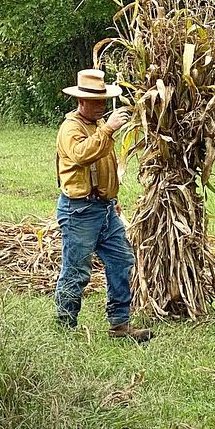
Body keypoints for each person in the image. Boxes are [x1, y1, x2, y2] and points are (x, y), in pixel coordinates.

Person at [54, 68, 152, 342]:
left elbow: (104, 168)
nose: (100, 106)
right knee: (76, 271)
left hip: (104, 209)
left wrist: (112, 199)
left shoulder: (96, 127)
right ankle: (64, 328)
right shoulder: (70, 128)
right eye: (95, 101)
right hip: (80, 212)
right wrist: (108, 129)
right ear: (80, 100)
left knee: (122, 260)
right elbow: (81, 155)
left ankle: (120, 326)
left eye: (102, 100)